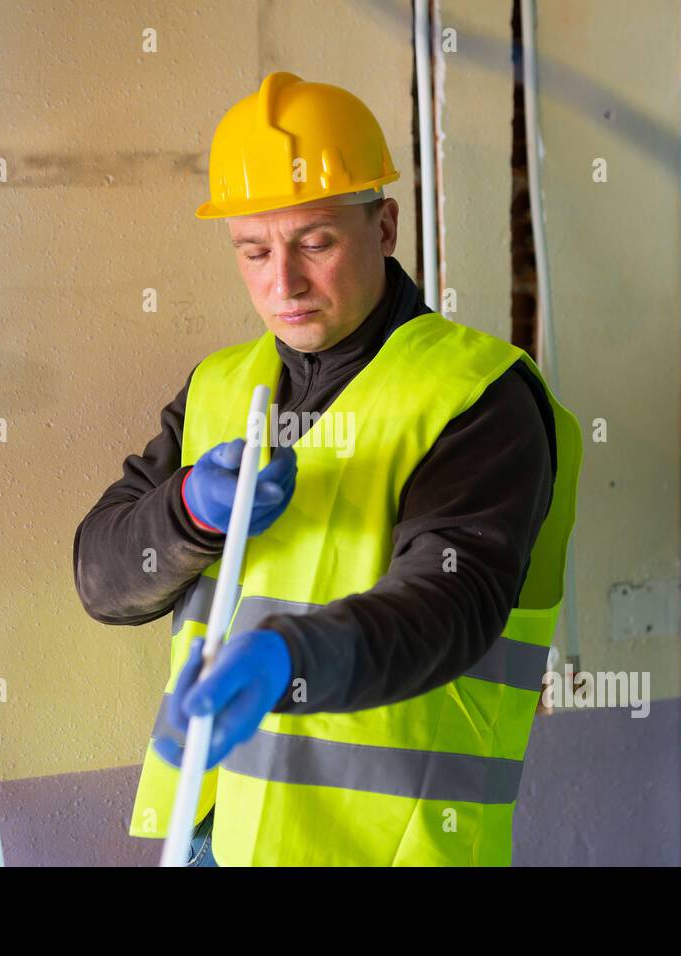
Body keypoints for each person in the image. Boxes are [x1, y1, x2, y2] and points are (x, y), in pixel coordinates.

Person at [73, 71, 582, 866]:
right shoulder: (220, 388)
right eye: (254, 249)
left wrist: (289, 658)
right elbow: (104, 581)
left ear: (384, 226)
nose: (285, 282)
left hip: (386, 848)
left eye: (316, 241)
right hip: (211, 835)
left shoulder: (475, 395)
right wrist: (189, 515)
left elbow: (452, 602)